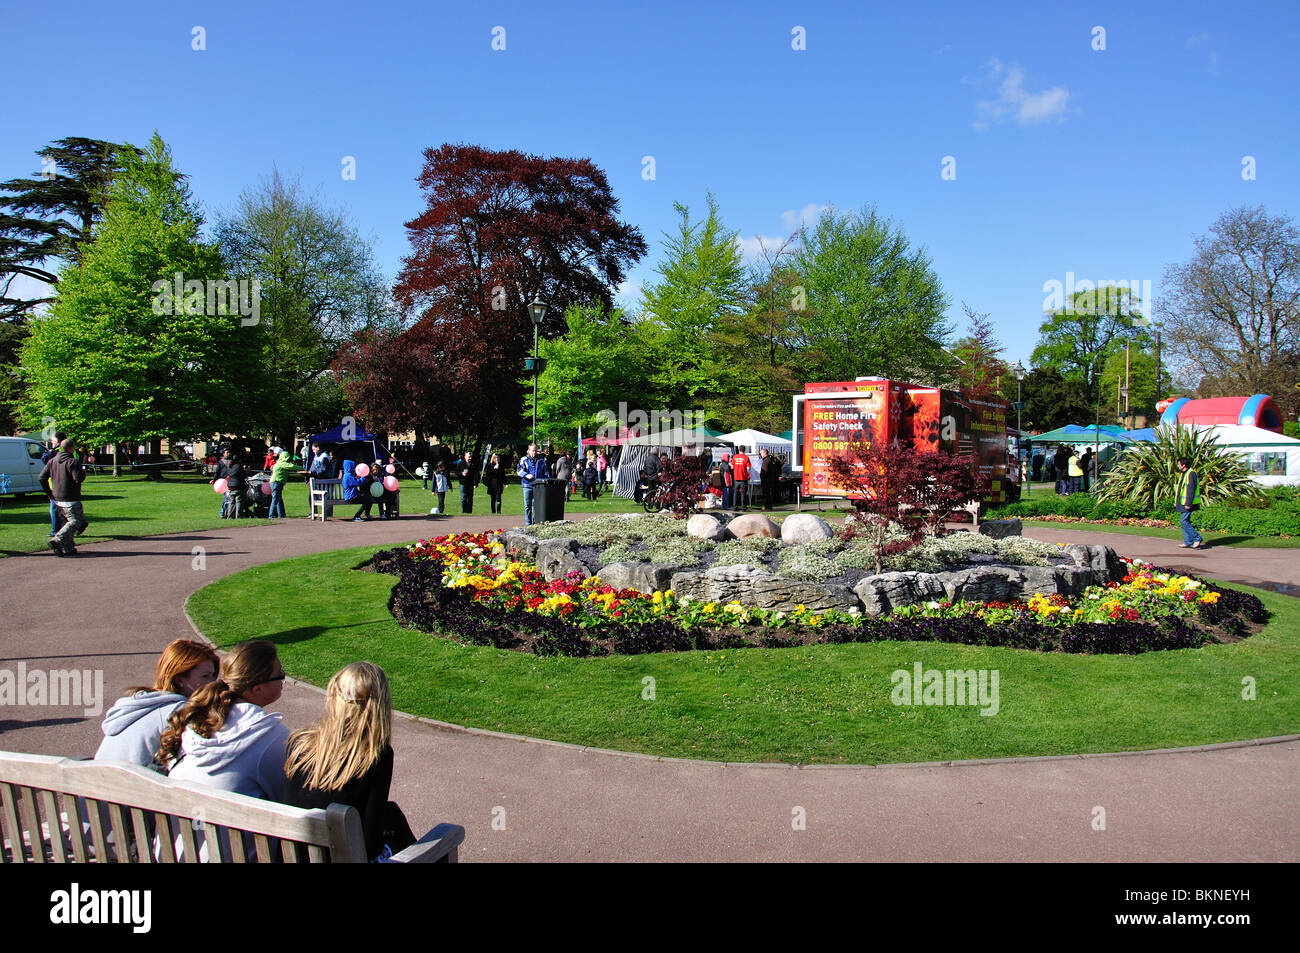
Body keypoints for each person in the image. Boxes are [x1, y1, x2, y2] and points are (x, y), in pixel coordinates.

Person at [283, 662, 416, 862]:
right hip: (342, 855)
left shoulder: (299, 743)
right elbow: (370, 847)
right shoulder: (375, 758)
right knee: (403, 833)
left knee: (392, 814)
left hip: (295, 855)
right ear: (379, 706)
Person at [159, 640, 290, 801]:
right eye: (280, 673)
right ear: (257, 689)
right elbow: (288, 799)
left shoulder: (197, 715)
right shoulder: (271, 736)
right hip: (226, 817)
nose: (283, 677)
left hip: (178, 814)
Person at [95, 640, 220, 768]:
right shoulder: (179, 710)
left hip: (96, 777)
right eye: (205, 676)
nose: (212, 683)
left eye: (213, 676)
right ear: (179, 679)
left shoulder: (135, 704)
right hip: (131, 779)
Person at [40, 437, 87, 556]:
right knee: (76, 521)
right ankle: (58, 539)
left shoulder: (53, 460)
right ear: (72, 448)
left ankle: (68, 548)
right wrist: (83, 472)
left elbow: (42, 477)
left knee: (65, 522)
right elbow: (78, 478)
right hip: (70, 496)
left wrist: (49, 493)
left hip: (57, 497)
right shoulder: (72, 462)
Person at [40, 431, 67, 536]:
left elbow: (44, 458)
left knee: (55, 508)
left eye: (53, 440)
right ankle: (70, 527)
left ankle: (55, 530)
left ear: (58, 441)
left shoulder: (55, 452)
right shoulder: (70, 451)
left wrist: (52, 450)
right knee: (67, 509)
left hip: (56, 484)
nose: (51, 442)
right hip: (66, 484)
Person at [517, 443, 550, 526]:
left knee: (537, 505)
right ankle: (528, 523)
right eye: (532, 451)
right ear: (528, 451)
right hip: (527, 485)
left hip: (538, 486)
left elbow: (546, 472)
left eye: (535, 450)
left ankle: (536, 522)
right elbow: (519, 470)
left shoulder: (541, 460)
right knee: (527, 505)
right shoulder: (524, 459)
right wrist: (526, 475)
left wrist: (546, 481)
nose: (534, 452)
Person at [1175, 457, 1204, 549]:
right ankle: (1188, 542)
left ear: (1183, 465)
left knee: (1184, 521)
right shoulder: (1184, 474)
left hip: (1188, 503)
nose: (1178, 466)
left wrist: (1188, 503)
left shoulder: (1191, 474)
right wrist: (1177, 502)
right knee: (1184, 522)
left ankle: (1197, 538)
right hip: (1182, 502)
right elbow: (1180, 489)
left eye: (1179, 464)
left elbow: (1191, 490)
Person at [268, 450, 294, 519]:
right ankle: (271, 515)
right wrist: (302, 468)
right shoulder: (282, 463)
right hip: (276, 482)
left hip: (277, 482)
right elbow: (291, 466)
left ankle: (281, 515)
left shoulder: (279, 463)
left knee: (278, 499)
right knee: (275, 499)